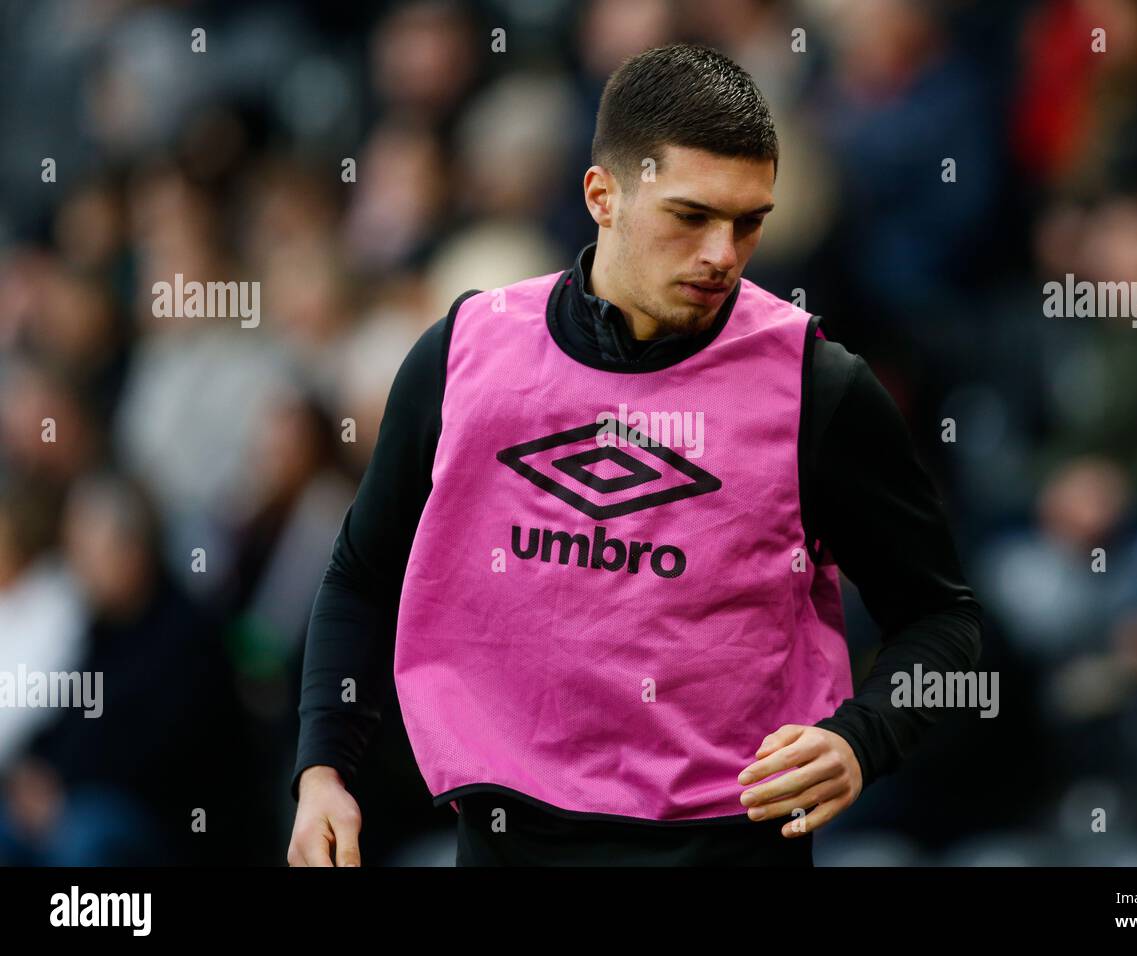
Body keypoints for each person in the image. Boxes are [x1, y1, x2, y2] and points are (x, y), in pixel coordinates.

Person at [288, 43, 981, 867]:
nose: (723, 253)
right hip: (507, 843)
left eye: (749, 221)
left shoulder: (818, 387)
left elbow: (944, 620)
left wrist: (863, 740)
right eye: (691, 216)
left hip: (729, 847)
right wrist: (322, 771)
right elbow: (362, 576)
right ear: (602, 195)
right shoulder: (463, 353)